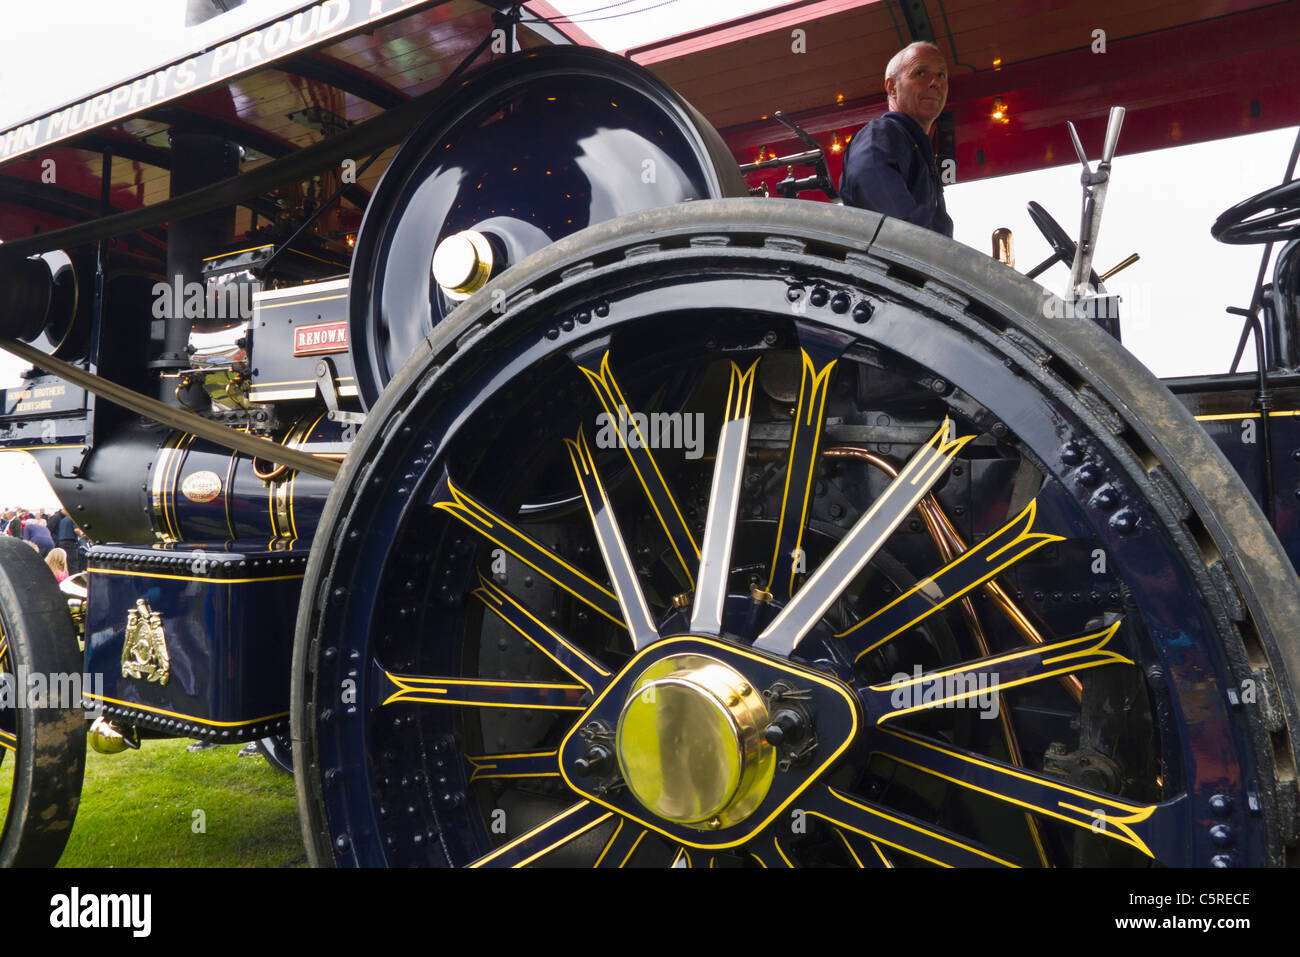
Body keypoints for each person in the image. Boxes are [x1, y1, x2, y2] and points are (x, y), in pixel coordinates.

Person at [839, 41, 953, 237]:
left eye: (941, 75)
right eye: (921, 73)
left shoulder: (919, 151)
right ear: (892, 88)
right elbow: (898, 228)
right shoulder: (883, 134)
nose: (936, 82)